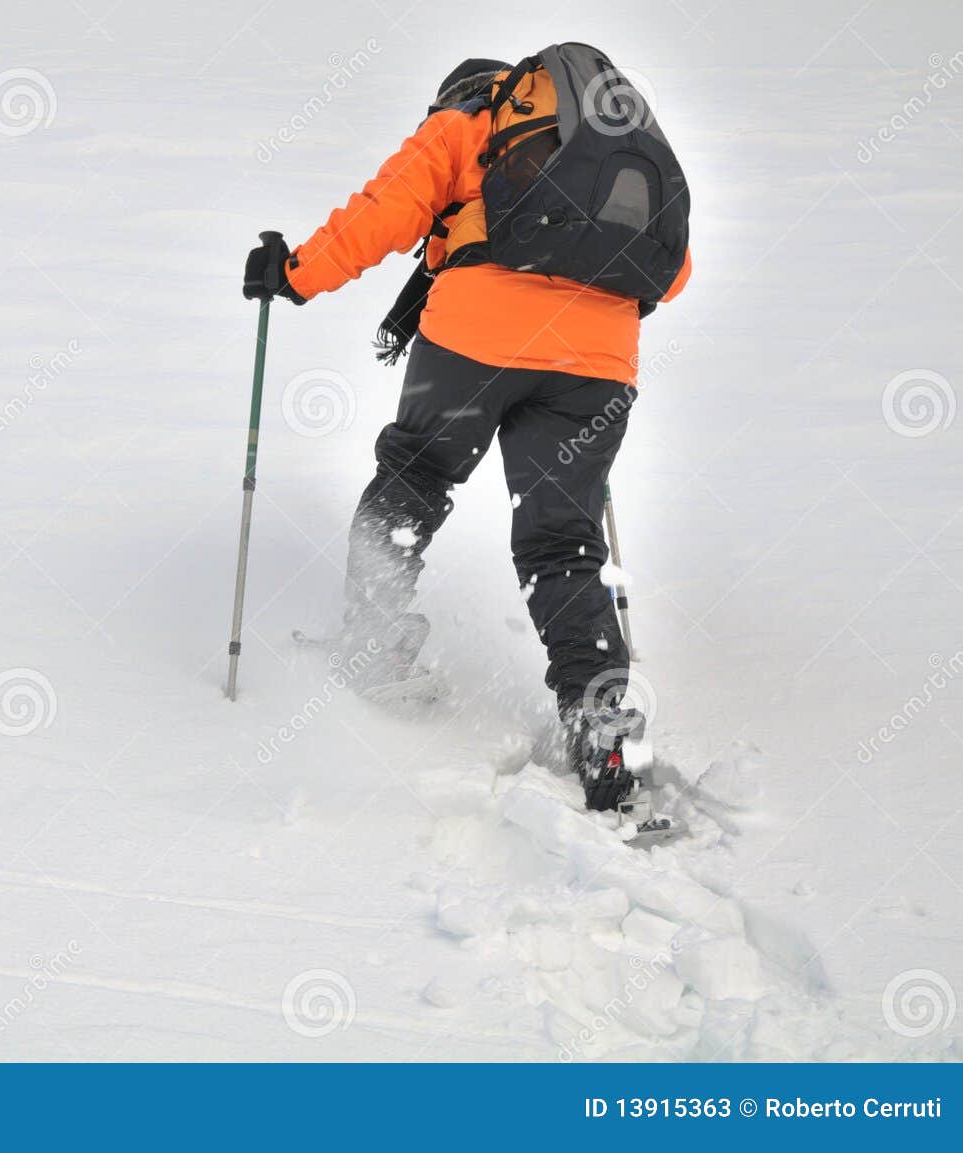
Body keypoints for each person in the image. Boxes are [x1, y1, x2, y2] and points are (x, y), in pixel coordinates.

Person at [242, 56, 691, 816]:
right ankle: (603, 726)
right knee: (562, 541)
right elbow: (669, 272)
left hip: (471, 339)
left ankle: (376, 642)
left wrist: (294, 273)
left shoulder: (464, 126)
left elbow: (383, 211)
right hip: (595, 363)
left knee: (415, 474)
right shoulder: (606, 147)